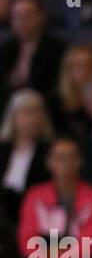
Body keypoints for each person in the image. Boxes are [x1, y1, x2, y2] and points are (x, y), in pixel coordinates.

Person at [17, 136, 92, 258]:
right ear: (49, 162)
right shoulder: (34, 196)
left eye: (72, 158)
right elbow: (27, 238)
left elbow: (89, 243)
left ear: (80, 162)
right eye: (60, 158)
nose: (66, 164)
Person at [0, 88, 53, 227]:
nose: (33, 118)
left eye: (37, 112)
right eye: (27, 112)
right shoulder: (3, 149)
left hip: (33, 216)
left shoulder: (49, 151)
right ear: (13, 117)